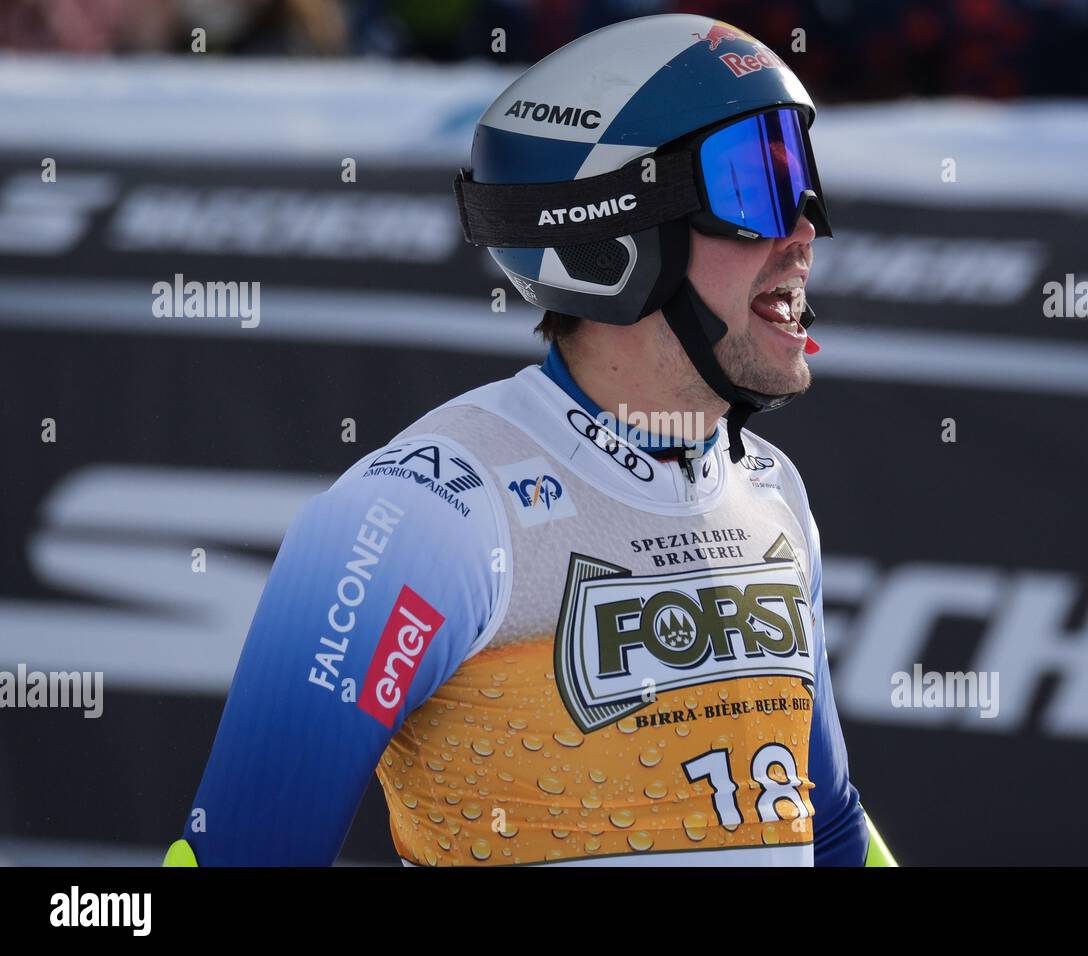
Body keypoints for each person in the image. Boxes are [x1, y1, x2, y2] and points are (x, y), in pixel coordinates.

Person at [165, 13, 896, 867]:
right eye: (755, 189)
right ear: (617, 234)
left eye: (801, 182)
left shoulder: (771, 491)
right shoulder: (426, 516)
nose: (805, 230)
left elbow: (833, 827)